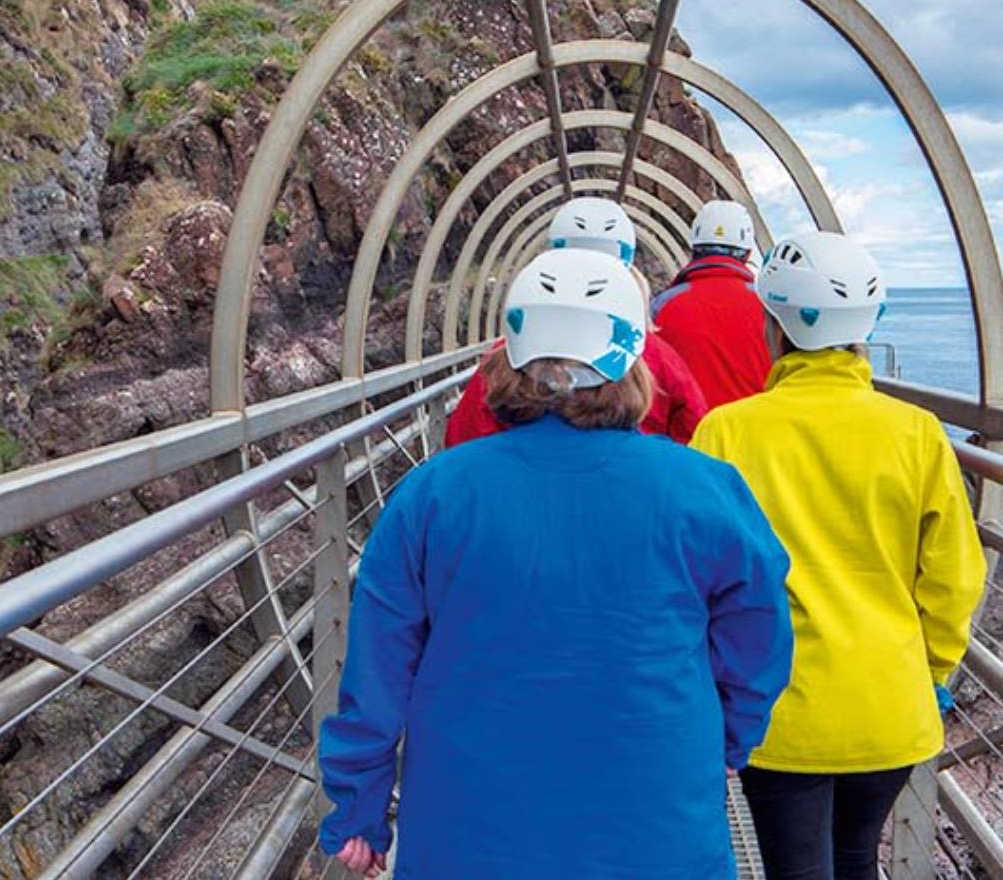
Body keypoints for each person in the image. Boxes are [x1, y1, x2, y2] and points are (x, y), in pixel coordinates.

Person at [318, 247, 794, 878]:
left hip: (470, 829)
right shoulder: (705, 489)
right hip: (656, 816)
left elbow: (378, 665)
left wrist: (360, 806)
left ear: (508, 356)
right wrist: (729, 738)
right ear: (636, 360)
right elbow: (760, 638)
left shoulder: (434, 493)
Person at [690, 231, 986, 880]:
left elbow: (699, 579)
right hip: (891, 705)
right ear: (866, 330)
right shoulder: (917, 433)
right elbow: (955, 575)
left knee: (795, 867)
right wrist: (932, 670)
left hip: (779, 712)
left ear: (773, 326)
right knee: (856, 857)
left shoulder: (726, 431)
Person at [445, 197, 710, 445]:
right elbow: (693, 425)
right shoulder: (653, 354)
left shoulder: (508, 358)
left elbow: (464, 434)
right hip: (635, 471)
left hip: (517, 473)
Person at [653, 200, 773, 406]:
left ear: (694, 248)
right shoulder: (769, 306)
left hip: (689, 426)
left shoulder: (661, 306)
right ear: (747, 253)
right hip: (757, 424)